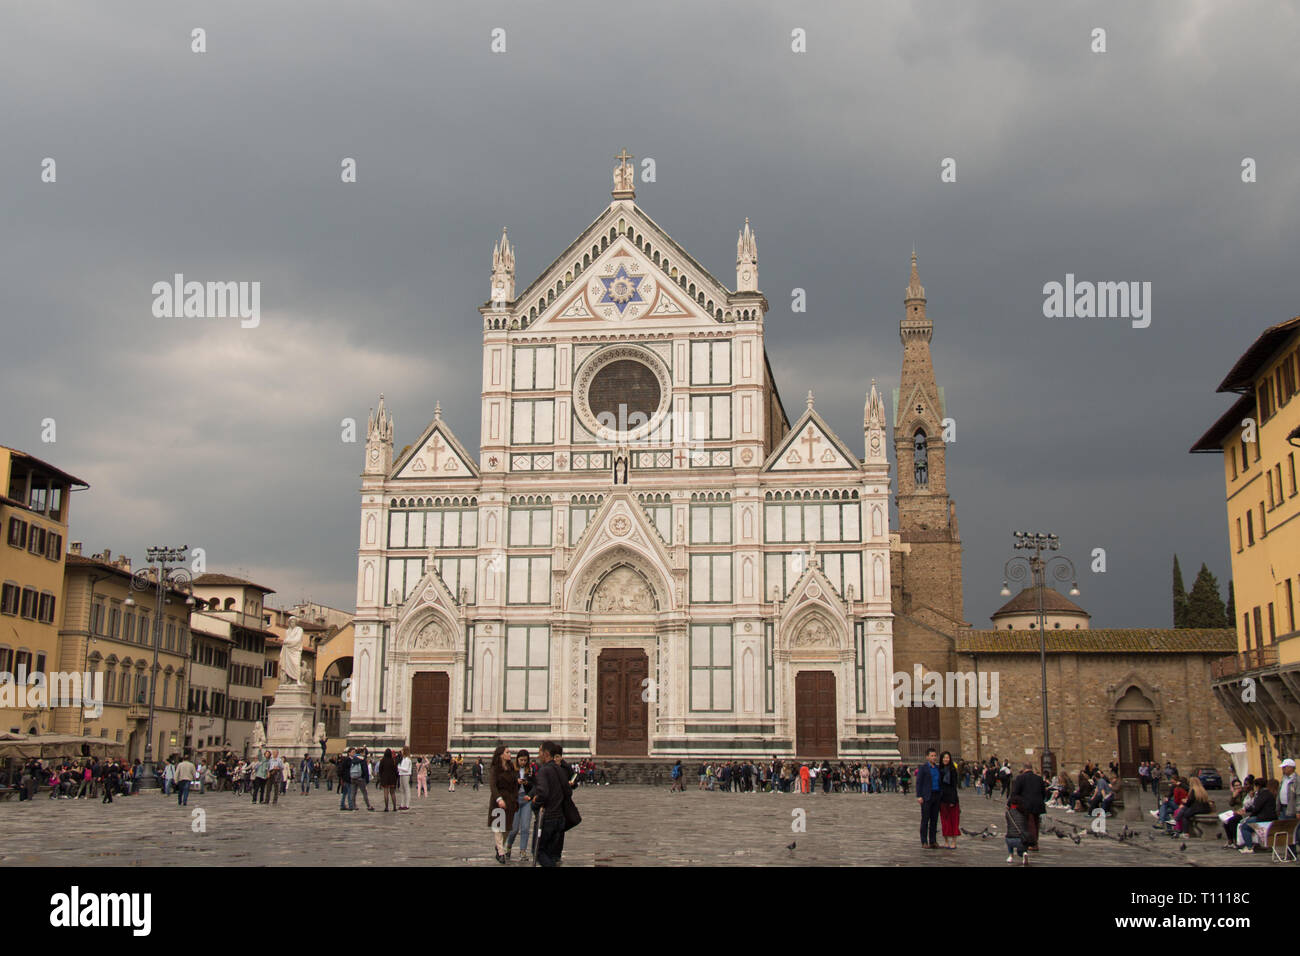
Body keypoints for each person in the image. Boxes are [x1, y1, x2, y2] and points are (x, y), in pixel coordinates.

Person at [532, 741, 571, 867]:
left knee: (538, 852)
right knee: (549, 854)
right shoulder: (559, 769)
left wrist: (535, 802)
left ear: (546, 754)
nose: (538, 756)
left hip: (547, 818)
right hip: (560, 818)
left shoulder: (544, 771)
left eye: (540, 753)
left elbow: (543, 793)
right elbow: (568, 792)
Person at [488, 743, 519, 863]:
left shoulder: (511, 768)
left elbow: (515, 785)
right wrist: (498, 799)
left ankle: (498, 845)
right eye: (507, 752)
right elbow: (493, 786)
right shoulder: (495, 769)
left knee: (507, 828)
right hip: (498, 801)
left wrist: (515, 798)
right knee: (498, 827)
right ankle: (501, 853)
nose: (509, 754)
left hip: (510, 800)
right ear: (501, 755)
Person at [505, 750, 536, 862]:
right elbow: (506, 782)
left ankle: (523, 851)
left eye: (525, 760)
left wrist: (527, 783)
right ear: (517, 759)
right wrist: (515, 781)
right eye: (521, 760)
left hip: (526, 800)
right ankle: (508, 846)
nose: (523, 762)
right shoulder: (511, 769)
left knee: (525, 827)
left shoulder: (531, 770)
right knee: (514, 829)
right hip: (515, 800)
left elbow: (535, 785)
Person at [1010, 763, 1046, 849]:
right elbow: (1043, 793)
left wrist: (1010, 804)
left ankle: (1032, 843)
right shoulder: (1039, 778)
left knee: (1030, 824)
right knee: (1036, 823)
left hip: (1026, 804)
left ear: (1024, 769)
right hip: (1038, 804)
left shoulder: (1020, 778)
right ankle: (1035, 841)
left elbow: (1015, 793)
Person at [1239, 777, 1278, 852]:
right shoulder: (1267, 793)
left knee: (1244, 826)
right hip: (1269, 817)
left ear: (1257, 786)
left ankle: (1249, 847)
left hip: (1263, 818)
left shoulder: (1262, 794)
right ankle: (1253, 844)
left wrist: (1250, 816)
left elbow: (1256, 808)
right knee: (1247, 822)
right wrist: (1246, 810)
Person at [916, 747, 941, 851]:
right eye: (932, 756)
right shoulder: (923, 768)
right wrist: (919, 796)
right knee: (925, 820)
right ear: (927, 757)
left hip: (936, 795)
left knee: (934, 820)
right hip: (926, 796)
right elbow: (919, 782)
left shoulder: (938, 768)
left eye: (935, 755)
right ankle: (924, 841)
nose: (934, 757)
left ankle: (933, 841)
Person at [937, 751, 961, 850]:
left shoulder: (952, 770)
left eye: (947, 758)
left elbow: (954, 786)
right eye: (944, 758)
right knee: (944, 821)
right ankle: (946, 841)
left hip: (952, 799)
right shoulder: (939, 770)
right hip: (942, 799)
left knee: (954, 820)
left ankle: (954, 841)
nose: (946, 759)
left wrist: (953, 800)